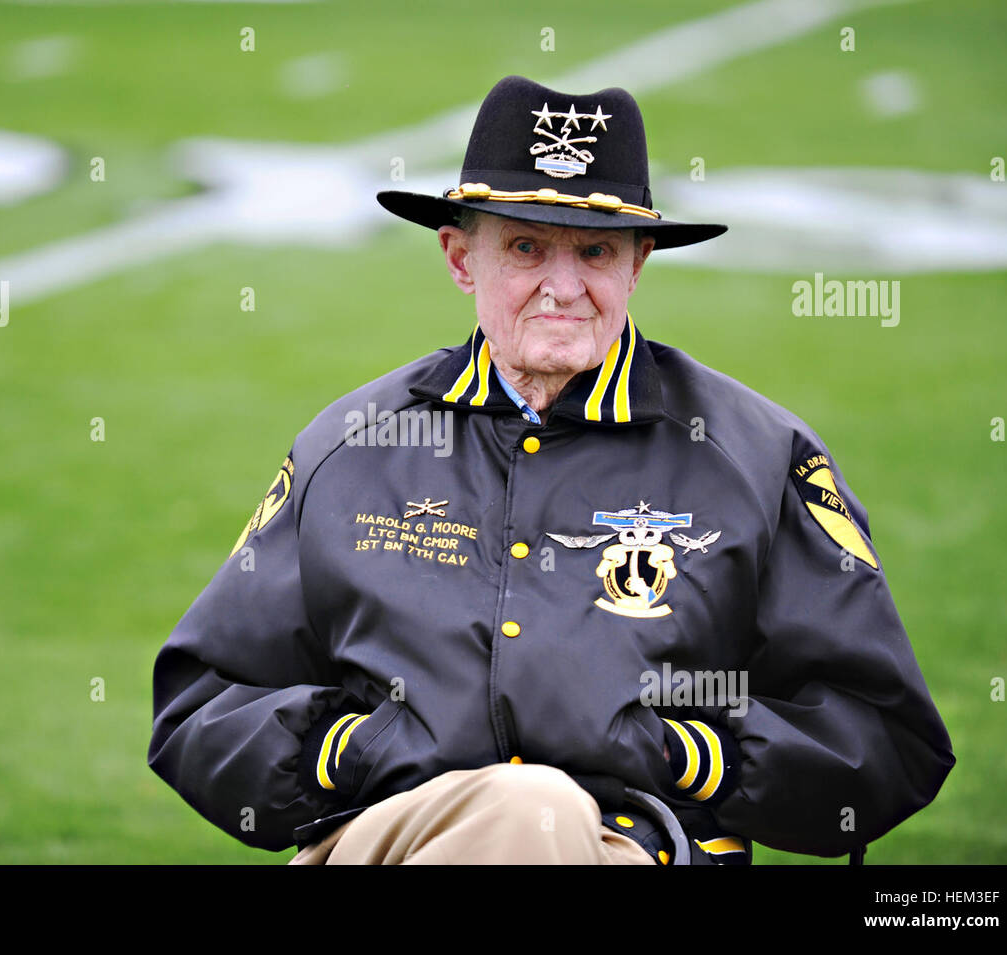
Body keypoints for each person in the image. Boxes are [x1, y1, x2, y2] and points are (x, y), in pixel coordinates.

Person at [148, 75, 954, 864]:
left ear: (637, 264)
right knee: (522, 812)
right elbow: (199, 708)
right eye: (527, 247)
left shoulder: (758, 456)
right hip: (395, 838)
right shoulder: (350, 445)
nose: (563, 288)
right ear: (462, 258)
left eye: (595, 251)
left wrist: (675, 749)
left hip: (637, 848)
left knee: (536, 814)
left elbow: (884, 742)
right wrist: (356, 750)